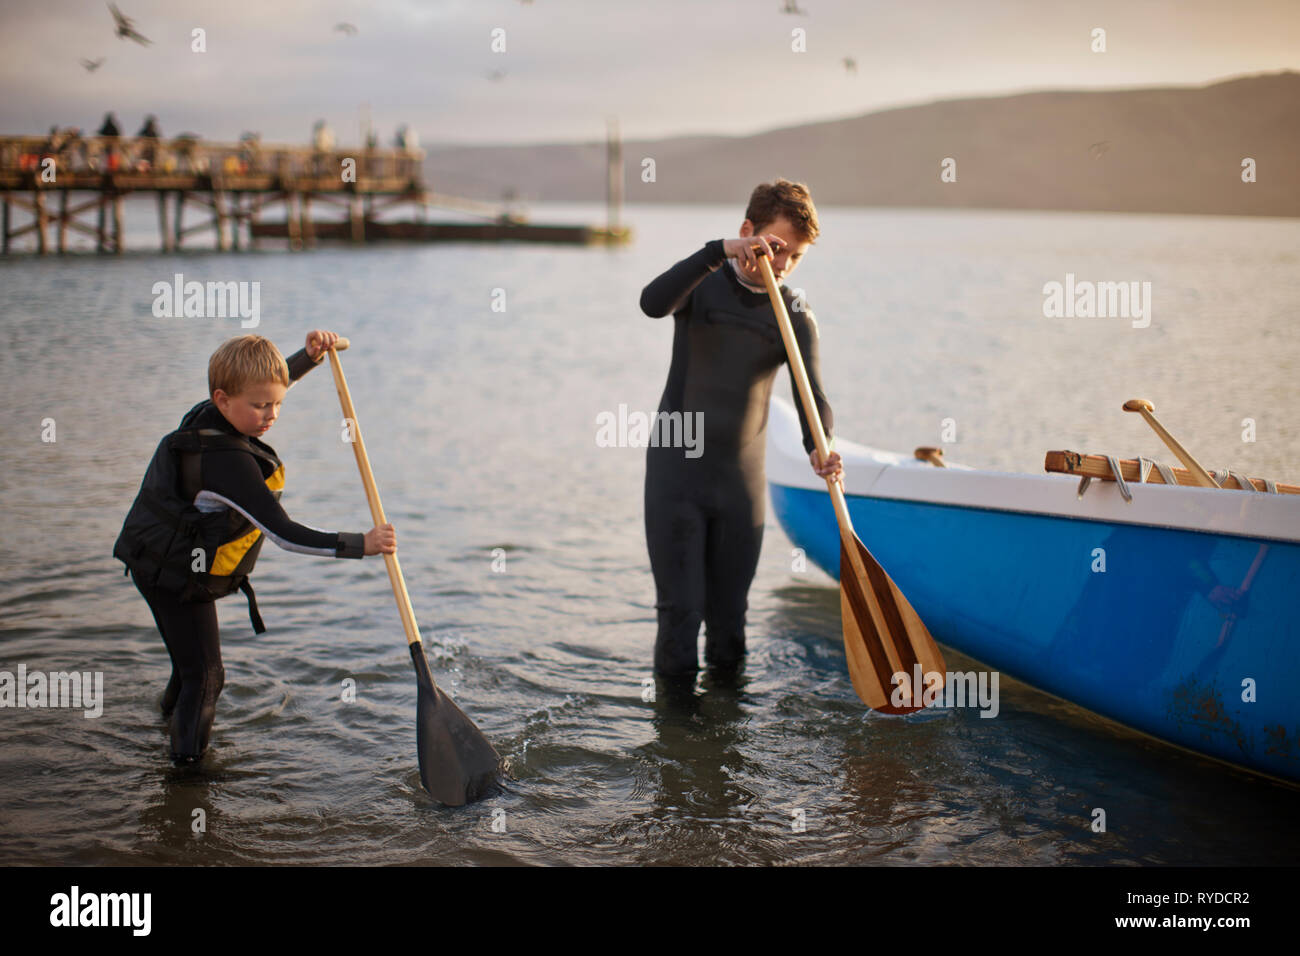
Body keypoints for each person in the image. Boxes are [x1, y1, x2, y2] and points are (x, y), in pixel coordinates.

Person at [114, 331, 397, 764]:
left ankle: (164, 728)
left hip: (151, 559)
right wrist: (363, 544)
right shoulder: (226, 462)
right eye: (262, 407)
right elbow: (282, 533)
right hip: (172, 576)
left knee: (188, 667)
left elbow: (262, 383)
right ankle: (187, 775)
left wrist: (308, 358)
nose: (272, 415)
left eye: (278, 403)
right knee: (207, 676)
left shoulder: (213, 412)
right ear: (223, 399)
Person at [639, 179, 843, 677]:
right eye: (776, 248)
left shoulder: (794, 314)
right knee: (680, 620)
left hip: (739, 485)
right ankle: (676, 748)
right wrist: (716, 252)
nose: (783, 265)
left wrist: (822, 447)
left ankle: (725, 749)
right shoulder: (702, 285)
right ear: (747, 232)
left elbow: (811, 396)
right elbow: (651, 301)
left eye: (795, 257)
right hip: (676, 477)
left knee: (730, 629)